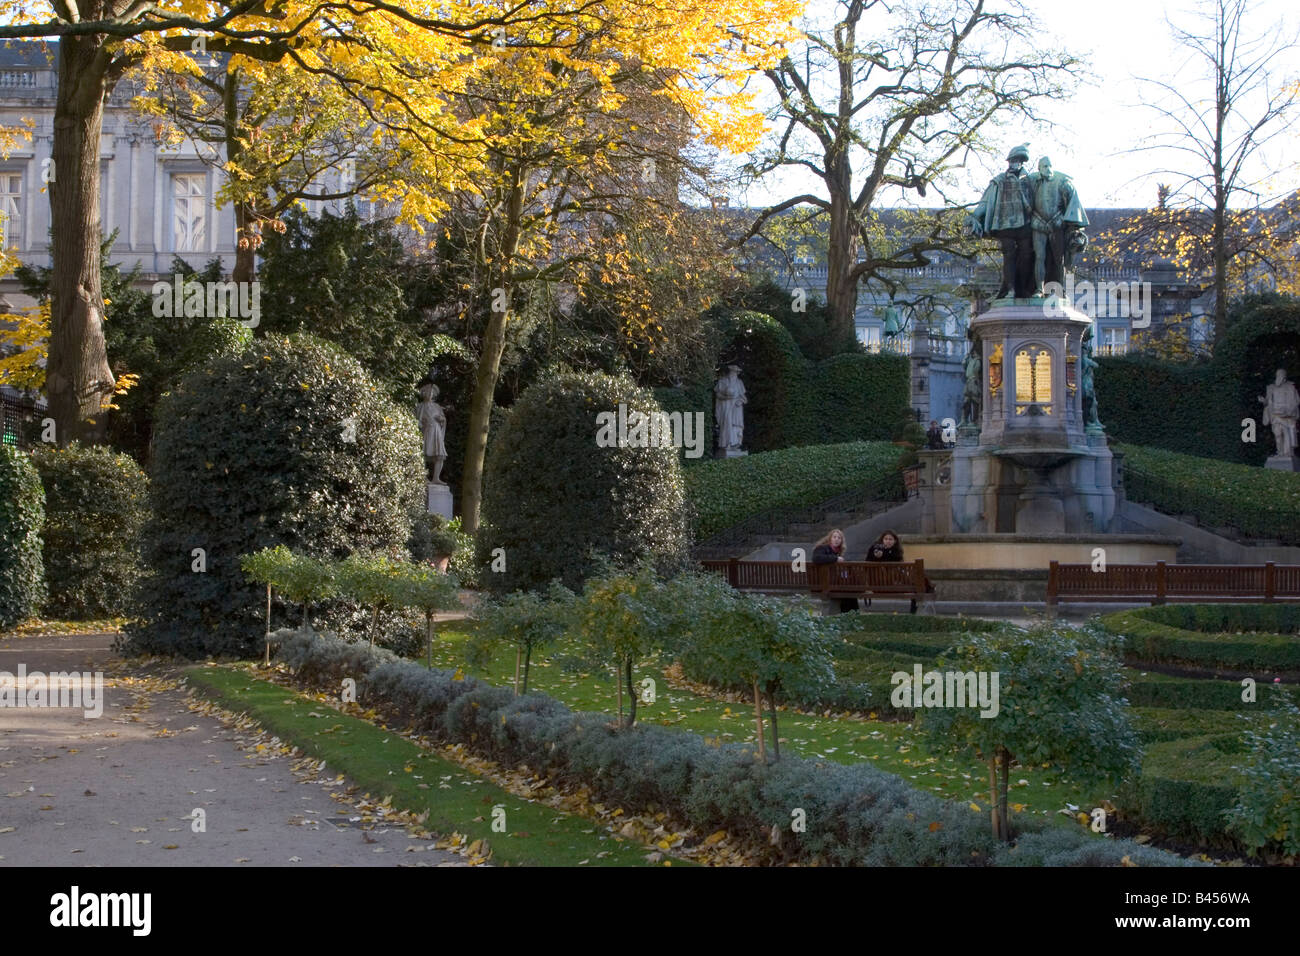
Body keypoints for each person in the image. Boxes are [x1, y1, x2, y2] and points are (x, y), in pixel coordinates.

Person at [865, 530, 932, 613]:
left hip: (884, 585)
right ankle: (929, 588)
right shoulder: (877, 549)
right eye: (886, 539)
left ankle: (927, 587)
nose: (888, 541)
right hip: (889, 585)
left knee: (916, 578)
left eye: (890, 539)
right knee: (916, 584)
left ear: (895, 541)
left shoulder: (894, 552)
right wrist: (878, 555)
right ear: (882, 540)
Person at [812, 529, 858, 613]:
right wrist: (835, 558)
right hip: (823, 582)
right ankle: (849, 614)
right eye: (834, 537)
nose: (836, 539)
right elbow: (816, 558)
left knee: (851, 591)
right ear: (830, 538)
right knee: (847, 591)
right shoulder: (822, 548)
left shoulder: (837, 551)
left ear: (841, 541)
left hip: (833, 582)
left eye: (839, 538)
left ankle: (852, 614)